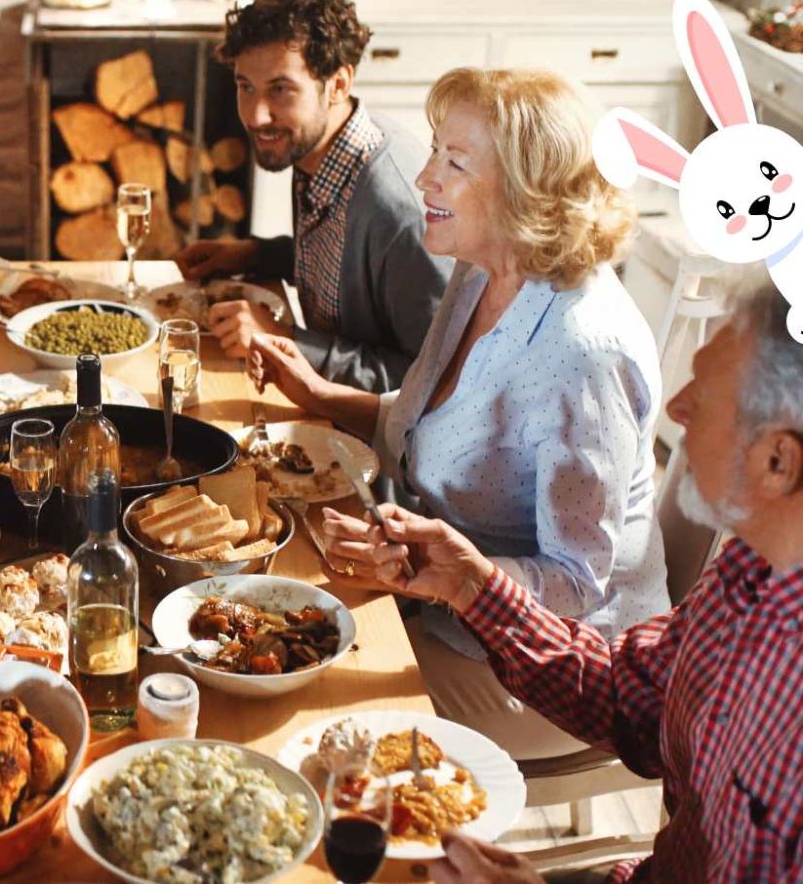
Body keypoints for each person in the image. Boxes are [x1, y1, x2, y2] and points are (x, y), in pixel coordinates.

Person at [322, 280, 803, 882]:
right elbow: (632, 698)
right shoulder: (751, 570)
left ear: (778, 462)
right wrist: (473, 588)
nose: (676, 408)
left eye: (704, 394)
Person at [250, 68, 668, 760]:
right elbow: (439, 425)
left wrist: (444, 577)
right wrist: (323, 399)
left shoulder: (582, 351)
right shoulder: (482, 271)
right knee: (268, 623)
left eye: (453, 161)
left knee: (302, 700)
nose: (423, 178)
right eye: (433, 151)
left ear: (527, 187)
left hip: (561, 671)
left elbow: (573, 583)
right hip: (448, 606)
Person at [172, 0, 451, 394]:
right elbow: (340, 266)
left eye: (280, 89)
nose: (255, 115)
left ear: (337, 84)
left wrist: (287, 340)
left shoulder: (401, 214)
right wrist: (256, 253)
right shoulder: (315, 150)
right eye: (245, 86)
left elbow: (434, 382)